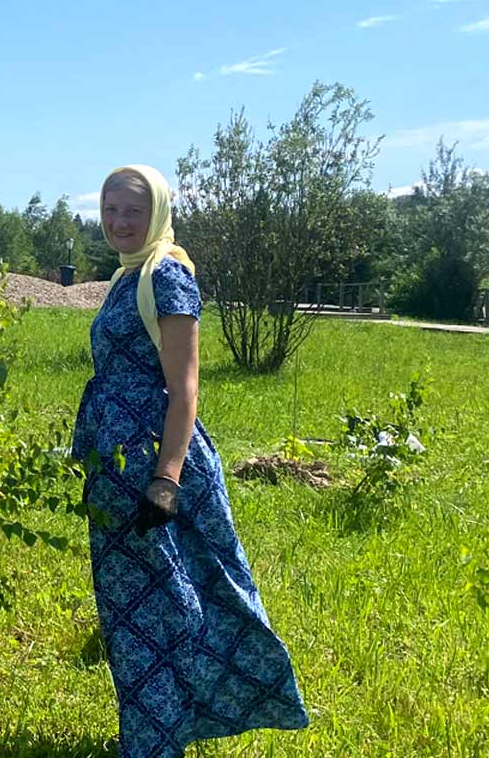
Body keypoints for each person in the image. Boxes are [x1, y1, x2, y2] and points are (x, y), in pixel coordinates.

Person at [72, 165, 308, 758]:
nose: (120, 222)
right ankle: (152, 733)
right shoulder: (126, 278)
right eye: (110, 211)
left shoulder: (167, 275)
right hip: (116, 471)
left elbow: (185, 388)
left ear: (155, 212)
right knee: (132, 615)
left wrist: (166, 480)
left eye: (132, 210)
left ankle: (169, 731)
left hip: (155, 467)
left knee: (183, 602)